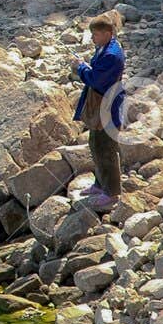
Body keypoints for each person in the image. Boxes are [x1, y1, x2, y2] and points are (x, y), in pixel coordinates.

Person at [72, 11, 126, 212]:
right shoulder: (105, 48)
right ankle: (99, 184)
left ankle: (111, 193)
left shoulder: (112, 55)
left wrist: (81, 69)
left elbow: (96, 80)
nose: (93, 38)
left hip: (108, 107)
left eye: (95, 34)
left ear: (107, 33)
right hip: (101, 106)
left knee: (106, 149)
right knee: (95, 144)